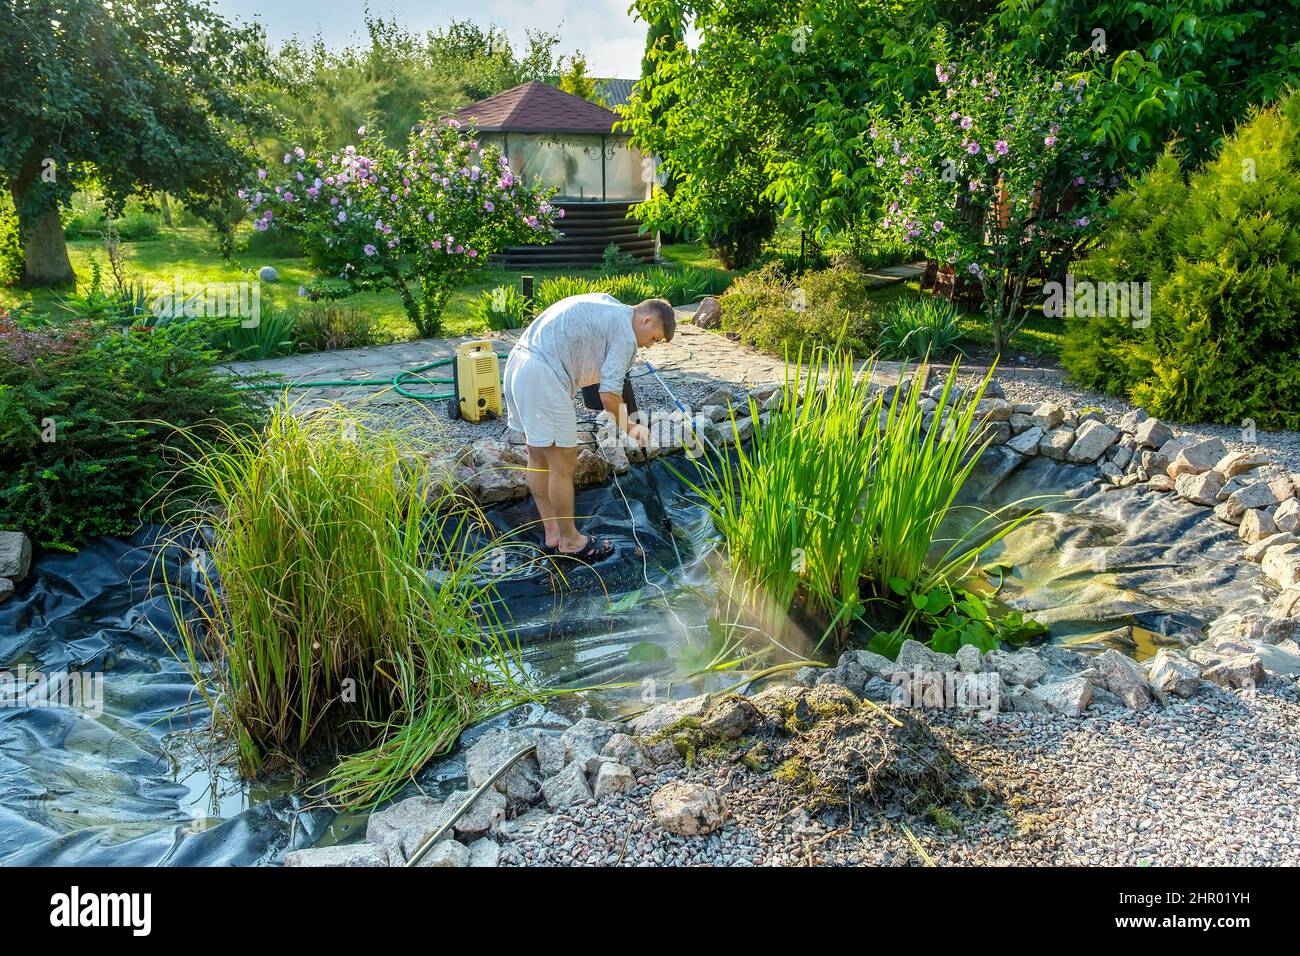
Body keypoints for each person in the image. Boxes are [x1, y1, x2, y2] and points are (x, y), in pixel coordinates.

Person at [502, 293, 675, 562]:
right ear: (647, 319)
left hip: (518, 364)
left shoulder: (609, 305)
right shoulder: (626, 336)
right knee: (563, 463)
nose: (649, 347)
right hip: (544, 373)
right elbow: (608, 395)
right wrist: (630, 427)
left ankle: (553, 535)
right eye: (653, 339)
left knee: (537, 454)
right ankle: (571, 541)